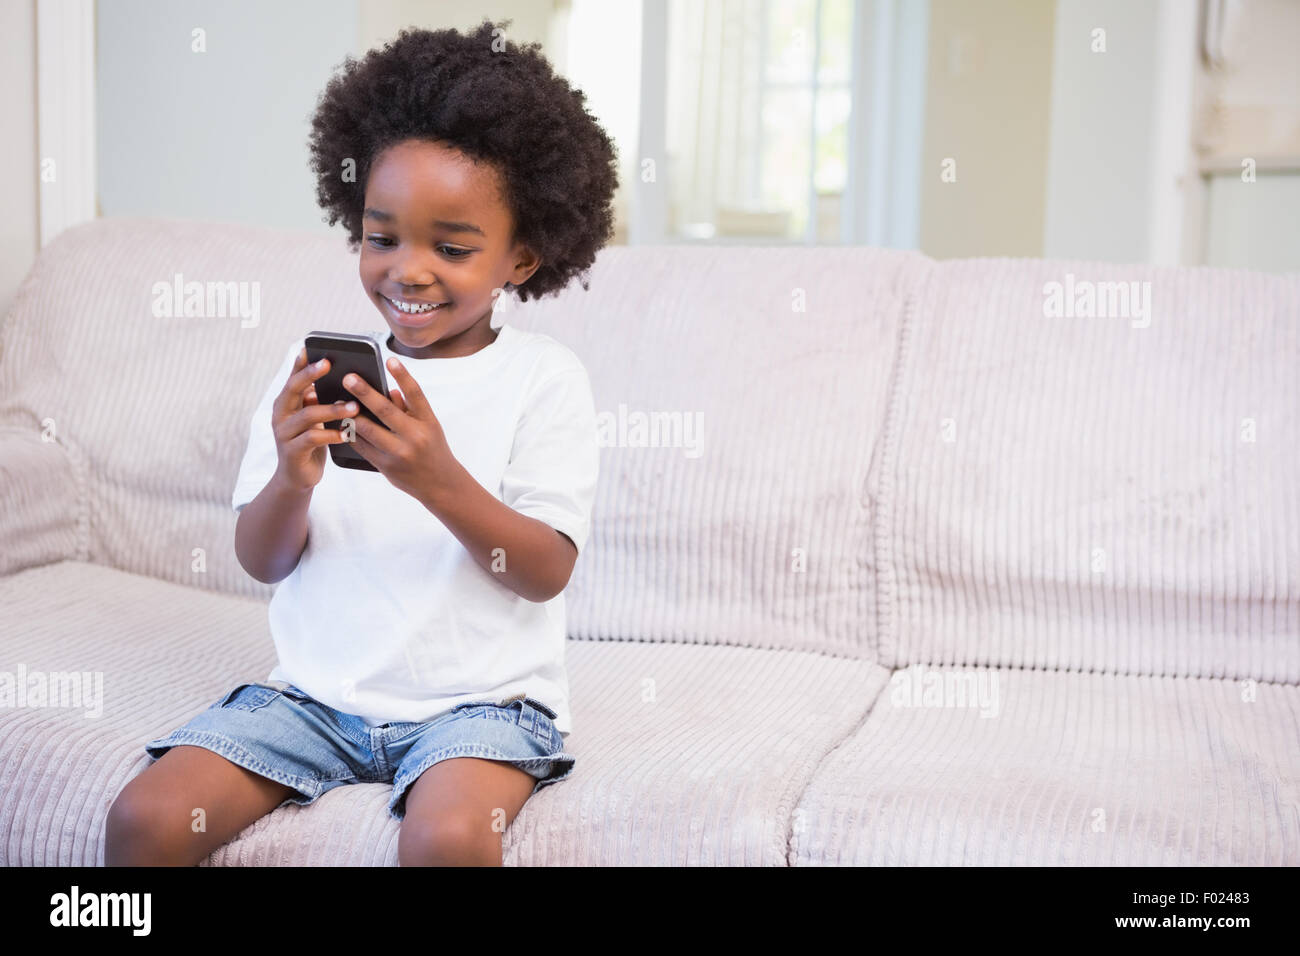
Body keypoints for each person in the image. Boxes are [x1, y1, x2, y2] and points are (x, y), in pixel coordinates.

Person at [105, 18, 617, 867]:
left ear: (521, 259)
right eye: (383, 237)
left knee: (449, 838)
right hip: (314, 701)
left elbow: (543, 571)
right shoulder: (313, 374)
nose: (407, 270)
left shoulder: (544, 380)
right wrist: (293, 479)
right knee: (143, 820)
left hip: (479, 710)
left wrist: (437, 479)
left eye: (452, 248)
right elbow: (263, 560)